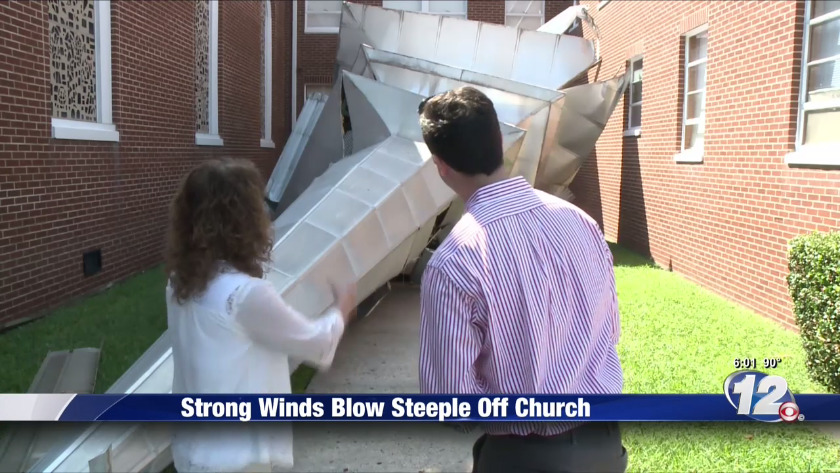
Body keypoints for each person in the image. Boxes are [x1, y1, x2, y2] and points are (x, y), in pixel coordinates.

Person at [417, 87, 627, 473]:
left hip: (523, 457)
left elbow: (451, 403)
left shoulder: (453, 263)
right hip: (605, 447)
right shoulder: (581, 223)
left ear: (441, 165)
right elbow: (609, 332)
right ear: (500, 140)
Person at [164, 157, 356, 473]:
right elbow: (317, 344)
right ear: (246, 222)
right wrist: (342, 306)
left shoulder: (178, 284)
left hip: (193, 449)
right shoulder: (244, 295)